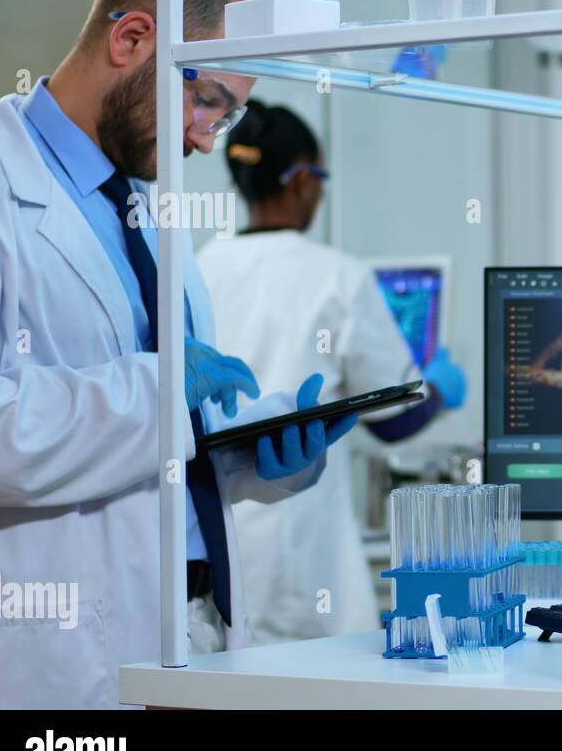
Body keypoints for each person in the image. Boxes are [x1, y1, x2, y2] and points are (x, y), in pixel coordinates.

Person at [0, 0, 355, 709]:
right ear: (132, 40)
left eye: (228, 111)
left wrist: (254, 450)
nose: (208, 136)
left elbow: (152, 443)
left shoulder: (147, 209)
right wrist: (157, 389)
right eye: (207, 98)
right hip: (54, 665)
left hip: (193, 638)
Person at [197, 103, 466, 643]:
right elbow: (390, 421)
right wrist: (438, 389)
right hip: (302, 550)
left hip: (218, 545)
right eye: (318, 178)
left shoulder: (199, 267)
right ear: (299, 181)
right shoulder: (337, 277)